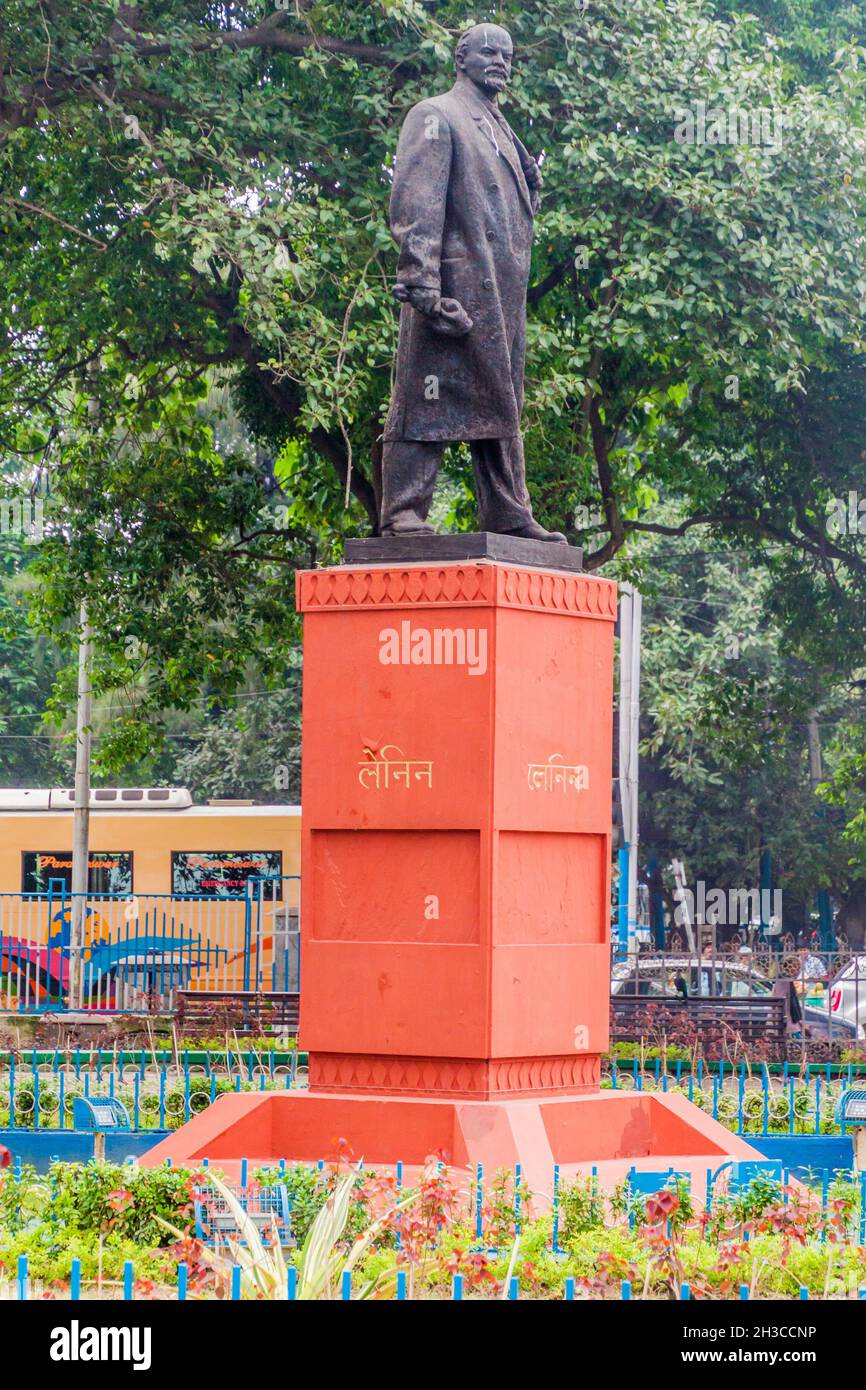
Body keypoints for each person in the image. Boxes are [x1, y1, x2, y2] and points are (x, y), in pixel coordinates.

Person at [380, 23, 566, 543]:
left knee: (501, 399)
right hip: (455, 287)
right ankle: (402, 512)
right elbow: (417, 203)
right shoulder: (437, 116)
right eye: (488, 52)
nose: (500, 62)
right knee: (425, 397)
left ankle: (508, 509)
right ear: (460, 57)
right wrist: (422, 284)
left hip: (499, 292)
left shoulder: (499, 126)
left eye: (507, 56)